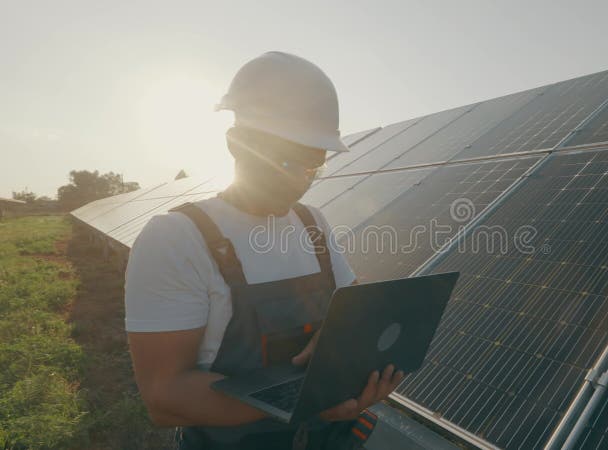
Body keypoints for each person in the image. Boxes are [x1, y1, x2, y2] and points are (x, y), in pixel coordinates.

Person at [124, 52, 403, 450]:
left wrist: (345, 349)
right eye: (285, 159)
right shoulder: (176, 238)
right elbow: (165, 397)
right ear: (236, 142)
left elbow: (354, 311)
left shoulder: (312, 223)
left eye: (312, 166)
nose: (297, 181)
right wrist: (308, 402)